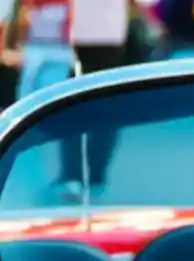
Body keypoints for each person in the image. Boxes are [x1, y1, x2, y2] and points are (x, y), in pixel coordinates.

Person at [57, 0, 131, 201]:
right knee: (106, 107)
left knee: (73, 108)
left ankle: (73, 174)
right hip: (109, 38)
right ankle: (94, 173)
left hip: (78, 36)